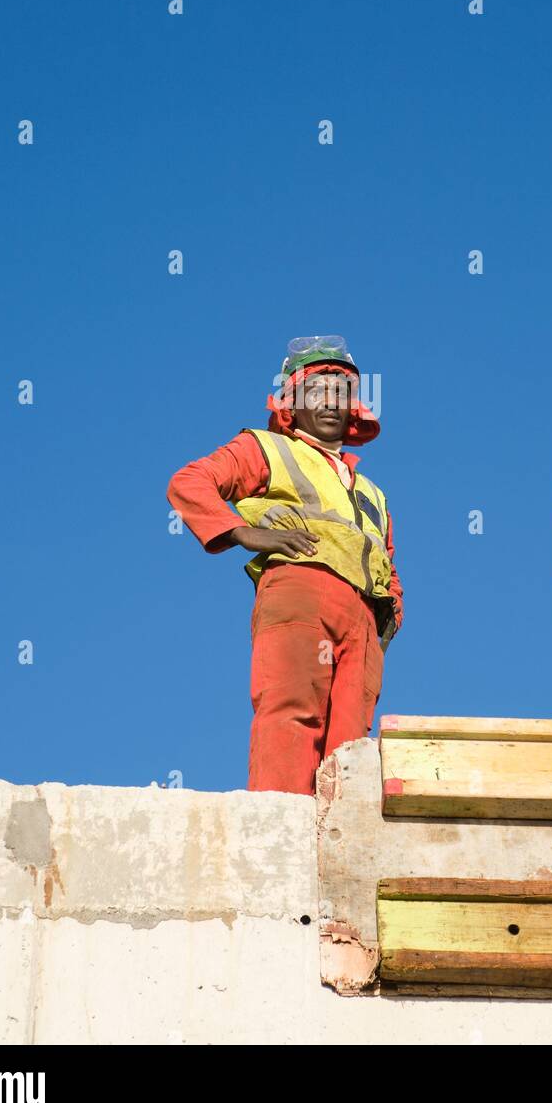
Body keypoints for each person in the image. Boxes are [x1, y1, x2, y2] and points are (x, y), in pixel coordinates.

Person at [166, 335, 403, 795]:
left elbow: (387, 561)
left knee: (351, 739)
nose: (331, 403)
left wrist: (390, 615)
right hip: (301, 589)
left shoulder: (373, 493)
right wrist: (239, 531)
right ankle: (280, 827)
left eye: (342, 393)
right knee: (292, 710)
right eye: (317, 392)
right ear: (292, 401)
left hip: (363, 618)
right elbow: (190, 482)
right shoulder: (266, 449)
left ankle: (340, 835)